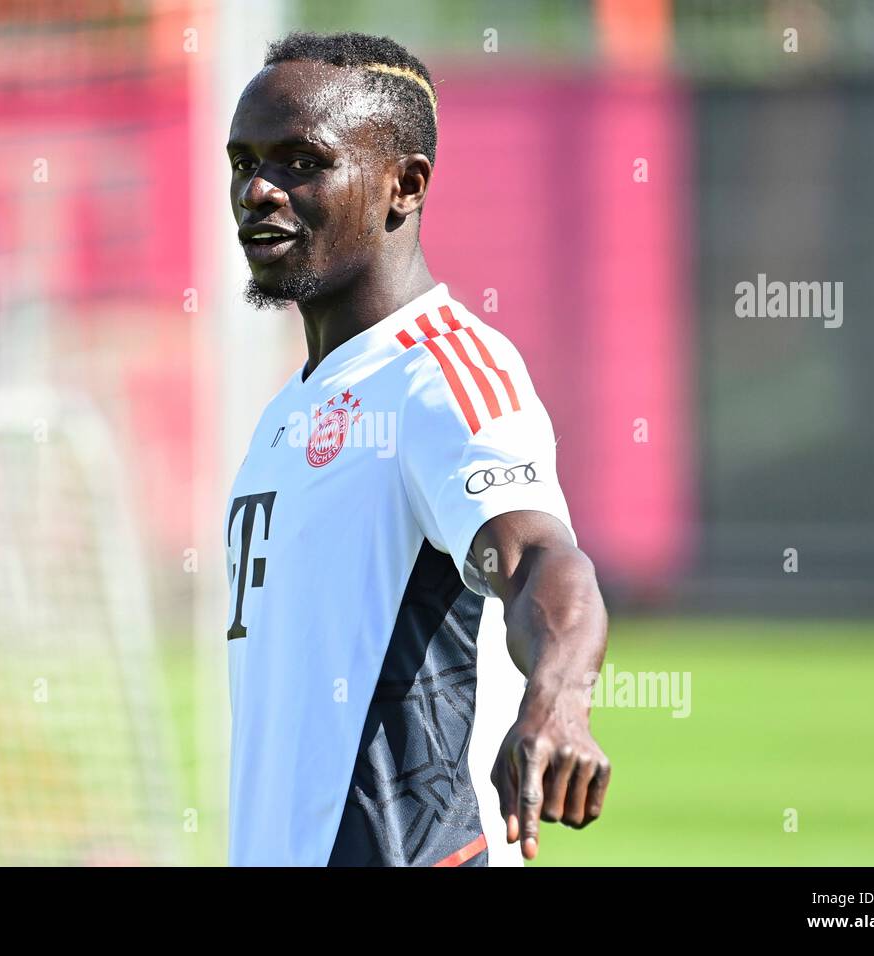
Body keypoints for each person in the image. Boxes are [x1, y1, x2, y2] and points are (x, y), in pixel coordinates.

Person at [224, 31, 610, 866]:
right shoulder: (287, 413)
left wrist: (559, 699)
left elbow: (544, 558)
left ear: (404, 186)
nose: (257, 189)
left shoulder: (441, 373)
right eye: (244, 160)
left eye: (300, 162)